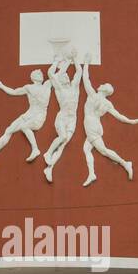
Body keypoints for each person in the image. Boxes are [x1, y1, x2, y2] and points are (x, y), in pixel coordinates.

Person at [80, 61, 138, 186]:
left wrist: (86, 63)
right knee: (86, 149)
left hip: (91, 125)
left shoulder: (92, 95)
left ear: (104, 89)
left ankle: (125, 163)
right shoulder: (107, 104)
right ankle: (92, 174)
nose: (100, 85)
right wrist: (133, 121)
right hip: (95, 125)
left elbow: (85, 78)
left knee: (103, 151)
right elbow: (119, 116)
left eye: (103, 84)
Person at [0, 69, 52, 163]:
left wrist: (65, 60)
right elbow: (14, 92)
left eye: (41, 73)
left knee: (24, 127)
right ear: (33, 77)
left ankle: (35, 149)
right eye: (38, 74)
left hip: (39, 116)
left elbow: (58, 73)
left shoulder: (48, 84)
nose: (41, 74)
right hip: (28, 114)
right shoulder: (28, 87)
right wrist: (2, 86)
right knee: (9, 130)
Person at [43, 49, 84, 182]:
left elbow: (79, 72)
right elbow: (50, 74)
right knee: (63, 136)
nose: (66, 76)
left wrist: (75, 58)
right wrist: (58, 62)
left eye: (67, 75)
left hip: (73, 119)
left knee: (63, 144)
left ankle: (49, 168)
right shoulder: (60, 89)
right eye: (64, 76)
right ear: (61, 80)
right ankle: (48, 152)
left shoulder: (75, 88)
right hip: (62, 117)